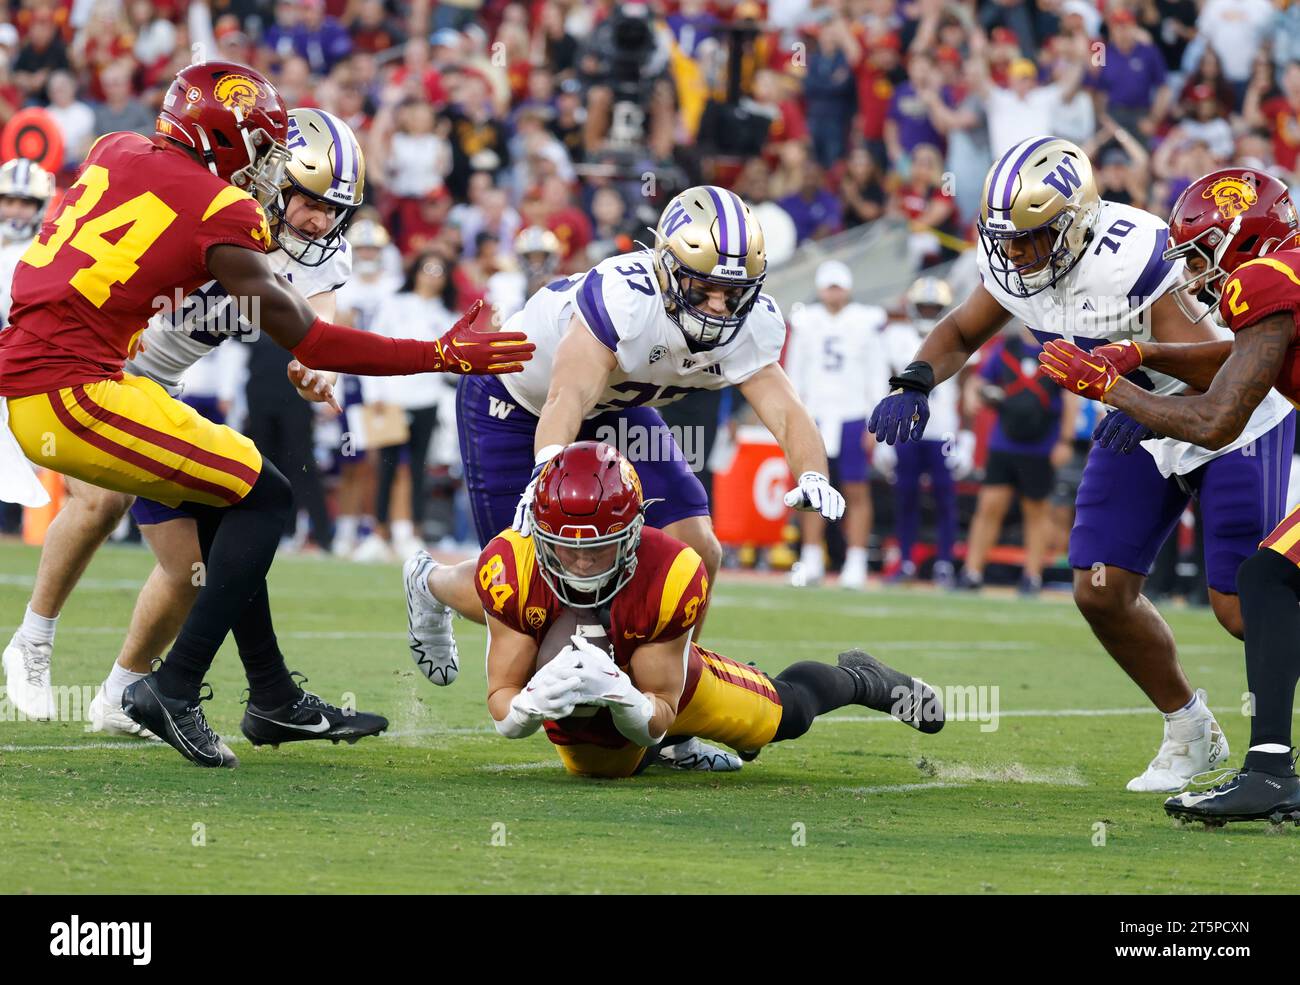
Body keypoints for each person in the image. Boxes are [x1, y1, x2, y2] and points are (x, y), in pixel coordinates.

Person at [0, 61, 533, 768]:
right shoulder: (226, 209)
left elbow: (320, 326)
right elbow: (311, 332)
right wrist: (440, 352)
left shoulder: (117, 149)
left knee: (204, 552)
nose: (316, 217)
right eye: (299, 188)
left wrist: (318, 367)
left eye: (332, 208)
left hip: (96, 374)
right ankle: (78, 657)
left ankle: (217, 692)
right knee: (164, 506)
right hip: (94, 381)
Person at [868, 136, 1294, 793]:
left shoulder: (1132, 252)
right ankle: (1190, 729)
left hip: (1233, 423)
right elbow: (959, 331)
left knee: (1242, 607)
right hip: (1133, 417)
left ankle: (1268, 758)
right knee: (1099, 586)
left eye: (1031, 238)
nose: (1014, 254)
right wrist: (916, 380)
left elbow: (1218, 372)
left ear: (1076, 223)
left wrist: (1131, 382)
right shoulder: (1014, 257)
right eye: (1005, 237)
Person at [445, 184, 845, 637]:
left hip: (613, 408)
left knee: (696, 549)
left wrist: (813, 473)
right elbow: (567, 397)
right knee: (525, 593)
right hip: (513, 399)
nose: (718, 308)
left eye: (732, 294)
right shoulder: (627, 299)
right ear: (667, 269)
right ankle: (431, 582)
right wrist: (546, 468)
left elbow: (788, 411)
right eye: (703, 289)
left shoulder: (749, 326)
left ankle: (675, 676)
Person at [412, 441, 944, 778]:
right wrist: (525, 708)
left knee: (785, 717)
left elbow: (660, 707)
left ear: (633, 532)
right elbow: (501, 698)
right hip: (577, 719)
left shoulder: (671, 572)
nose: (578, 562)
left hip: (665, 685)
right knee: (602, 773)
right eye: (563, 545)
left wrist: (629, 702)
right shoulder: (512, 563)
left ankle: (863, 679)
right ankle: (668, 759)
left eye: (597, 546)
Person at [1039, 168, 1300, 824]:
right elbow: (1242, 359)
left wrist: (1111, 386)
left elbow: (1217, 421)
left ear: (1243, 239)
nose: (1192, 274)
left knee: (1265, 583)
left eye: (1201, 252)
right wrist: (1141, 352)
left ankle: (1270, 773)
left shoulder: (1261, 280)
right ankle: (1270, 771)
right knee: (1269, 581)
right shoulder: (1285, 278)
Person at [784, 260, 889, 588]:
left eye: (838, 286)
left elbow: (877, 372)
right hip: (814, 414)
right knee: (811, 489)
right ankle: (811, 557)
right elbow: (793, 373)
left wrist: (875, 420)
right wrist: (794, 418)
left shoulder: (864, 322)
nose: (834, 293)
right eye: (829, 286)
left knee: (857, 489)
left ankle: (856, 560)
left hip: (853, 413)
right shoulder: (807, 322)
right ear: (820, 289)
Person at [960, 327, 1076, 595]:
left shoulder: (1057, 350)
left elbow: (1070, 398)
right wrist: (972, 396)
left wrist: (1065, 440)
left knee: (1036, 511)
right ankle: (972, 571)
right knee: (989, 506)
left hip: (1040, 444)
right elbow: (978, 380)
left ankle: (1032, 576)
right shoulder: (1006, 346)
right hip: (1004, 441)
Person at [880, 276, 962, 586]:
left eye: (933, 307)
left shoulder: (957, 336)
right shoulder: (896, 337)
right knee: (905, 498)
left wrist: (965, 437)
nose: (928, 312)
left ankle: (944, 563)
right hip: (906, 429)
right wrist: (883, 441)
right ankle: (905, 562)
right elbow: (885, 384)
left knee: (945, 498)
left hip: (944, 431)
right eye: (923, 307)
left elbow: (966, 391)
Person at [0, 158, 54, 328]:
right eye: (9, 202)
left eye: (25, 203)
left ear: (40, 206)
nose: (16, 210)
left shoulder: (46, 251)